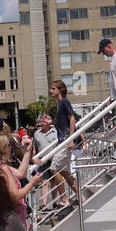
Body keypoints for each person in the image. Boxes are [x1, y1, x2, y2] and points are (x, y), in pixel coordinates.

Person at [48, 80, 79, 213]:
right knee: (65, 171)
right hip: (63, 140)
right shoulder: (60, 103)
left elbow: (72, 118)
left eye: (53, 88)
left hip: (66, 140)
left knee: (54, 168)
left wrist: (71, 138)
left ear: (59, 90)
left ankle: (64, 198)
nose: (51, 91)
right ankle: (80, 195)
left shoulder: (64, 101)